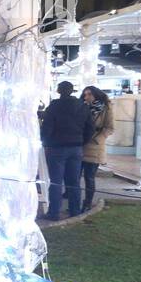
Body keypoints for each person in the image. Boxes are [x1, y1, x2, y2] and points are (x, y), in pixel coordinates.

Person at [40, 80, 94, 220]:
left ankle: (54, 213)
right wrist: (82, 141)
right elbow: (90, 128)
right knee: (74, 181)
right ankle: (74, 211)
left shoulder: (54, 106)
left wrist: (45, 141)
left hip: (57, 147)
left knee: (56, 182)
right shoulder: (82, 106)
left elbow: (47, 127)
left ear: (59, 91)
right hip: (76, 147)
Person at [81, 85, 115, 212]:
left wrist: (97, 139)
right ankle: (74, 201)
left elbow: (110, 127)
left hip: (95, 146)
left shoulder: (105, 108)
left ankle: (87, 203)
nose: (86, 97)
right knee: (75, 176)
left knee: (89, 177)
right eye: (85, 94)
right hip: (81, 144)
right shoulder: (82, 107)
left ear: (96, 94)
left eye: (89, 94)